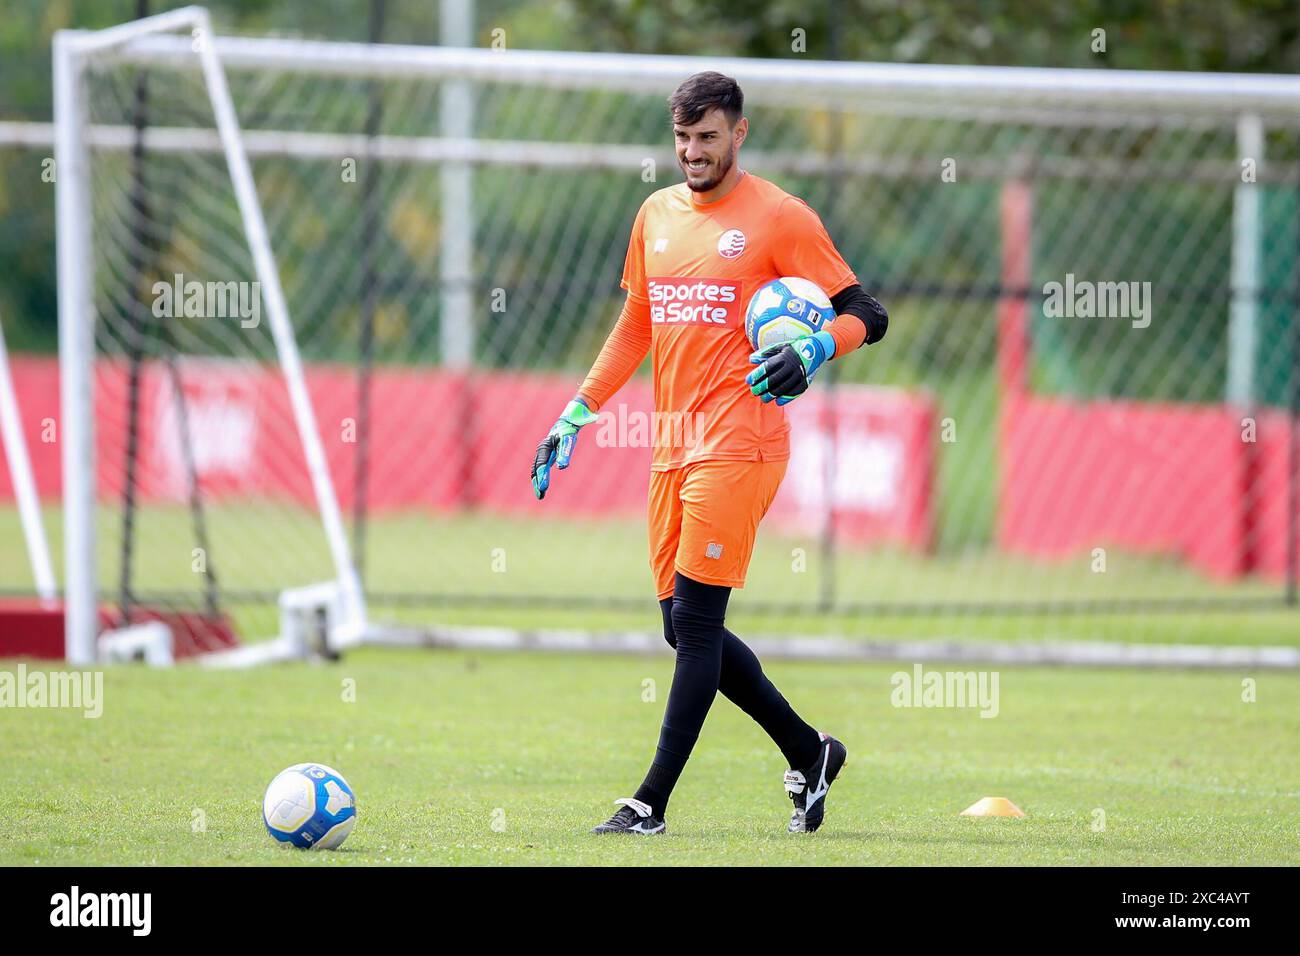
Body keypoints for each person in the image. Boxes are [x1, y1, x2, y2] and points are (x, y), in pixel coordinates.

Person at [530, 71, 888, 835]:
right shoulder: (655, 215)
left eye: (708, 138)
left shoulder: (779, 217)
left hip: (742, 442)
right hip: (674, 446)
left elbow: (868, 310)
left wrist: (820, 345)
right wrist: (577, 410)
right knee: (680, 626)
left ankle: (649, 803)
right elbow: (638, 327)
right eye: (683, 139)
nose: (694, 152)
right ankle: (808, 749)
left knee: (694, 626)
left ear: (740, 133)